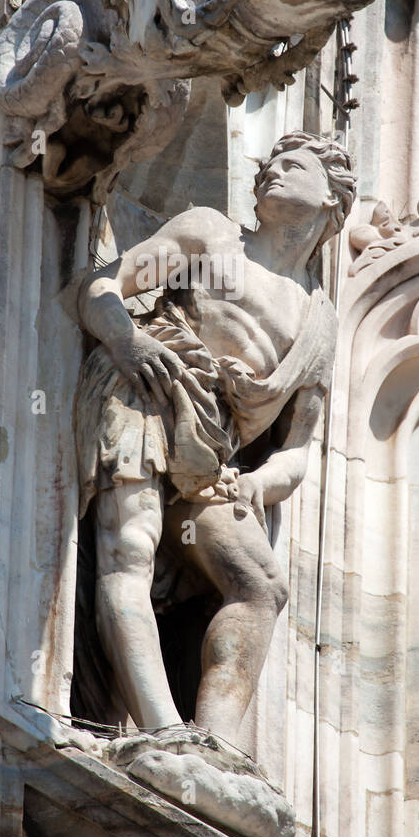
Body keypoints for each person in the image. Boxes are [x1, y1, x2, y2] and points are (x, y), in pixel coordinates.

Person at [75, 131, 354, 744]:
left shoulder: (319, 321)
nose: (272, 170)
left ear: (333, 197)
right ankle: (162, 732)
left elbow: (298, 450)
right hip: (145, 390)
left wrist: (257, 483)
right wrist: (127, 340)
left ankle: (215, 747)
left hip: (214, 454)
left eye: (295, 164)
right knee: (130, 550)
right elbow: (99, 288)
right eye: (270, 161)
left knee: (261, 585)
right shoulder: (210, 233)